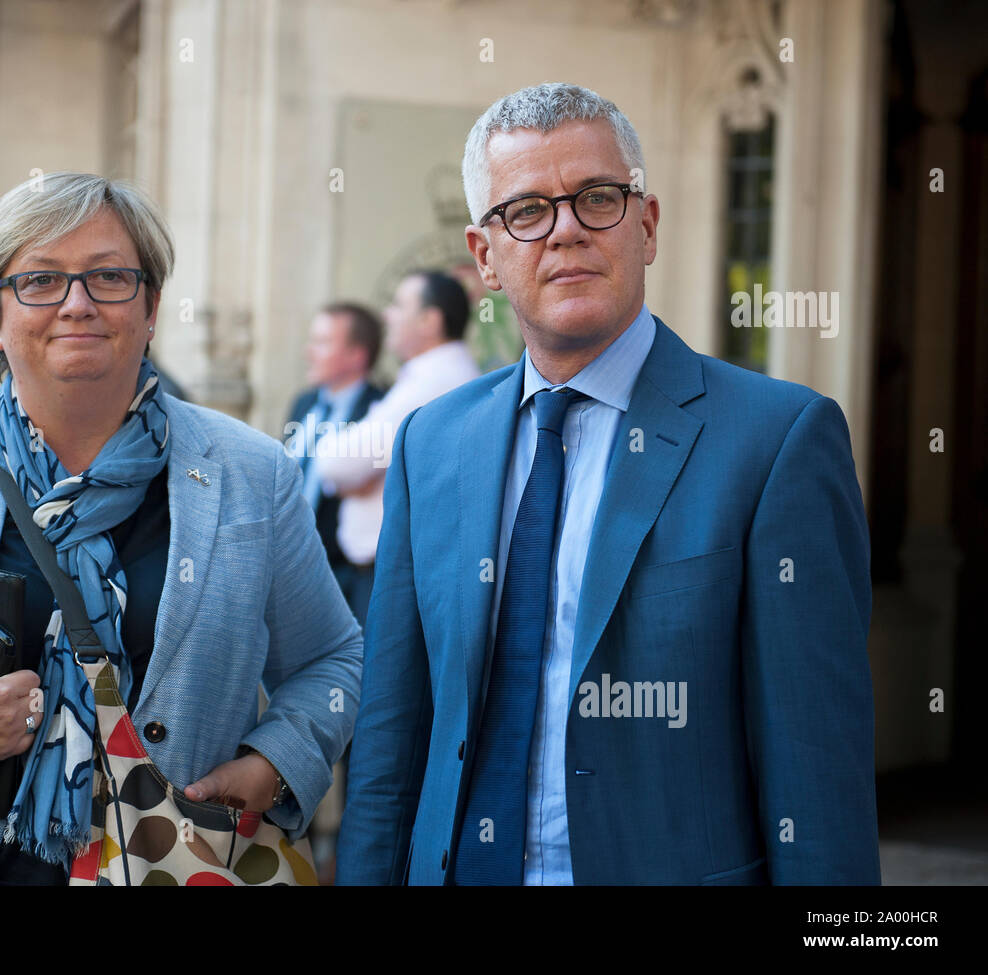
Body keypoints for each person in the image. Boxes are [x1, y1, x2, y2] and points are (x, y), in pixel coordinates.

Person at [337, 83, 879, 885]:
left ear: (647, 224)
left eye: (597, 198)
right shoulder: (433, 442)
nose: (565, 230)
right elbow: (391, 733)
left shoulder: (777, 441)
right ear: (485, 256)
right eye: (526, 210)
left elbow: (817, 769)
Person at [0, 171, 362, 885]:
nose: (78, 303)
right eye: (41, 280)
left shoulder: (249, 472)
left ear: (150, 306)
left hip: (180, 863)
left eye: (110, 277)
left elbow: (333, 658)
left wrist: (277, 763)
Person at [313, 271, 479, 612]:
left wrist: (355, 478)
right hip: (392, 571)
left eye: (399, 305)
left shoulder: (435, 380)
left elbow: (337, 464)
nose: (387, 315)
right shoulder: (432, 375)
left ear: (429, 321)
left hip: (393, 577)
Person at [283, 302, 384, 625]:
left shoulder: (380, 409)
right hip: (290, 573)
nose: (308, 352)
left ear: (357, 355)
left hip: (345, 580)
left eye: (323, 343)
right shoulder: (304, 402)